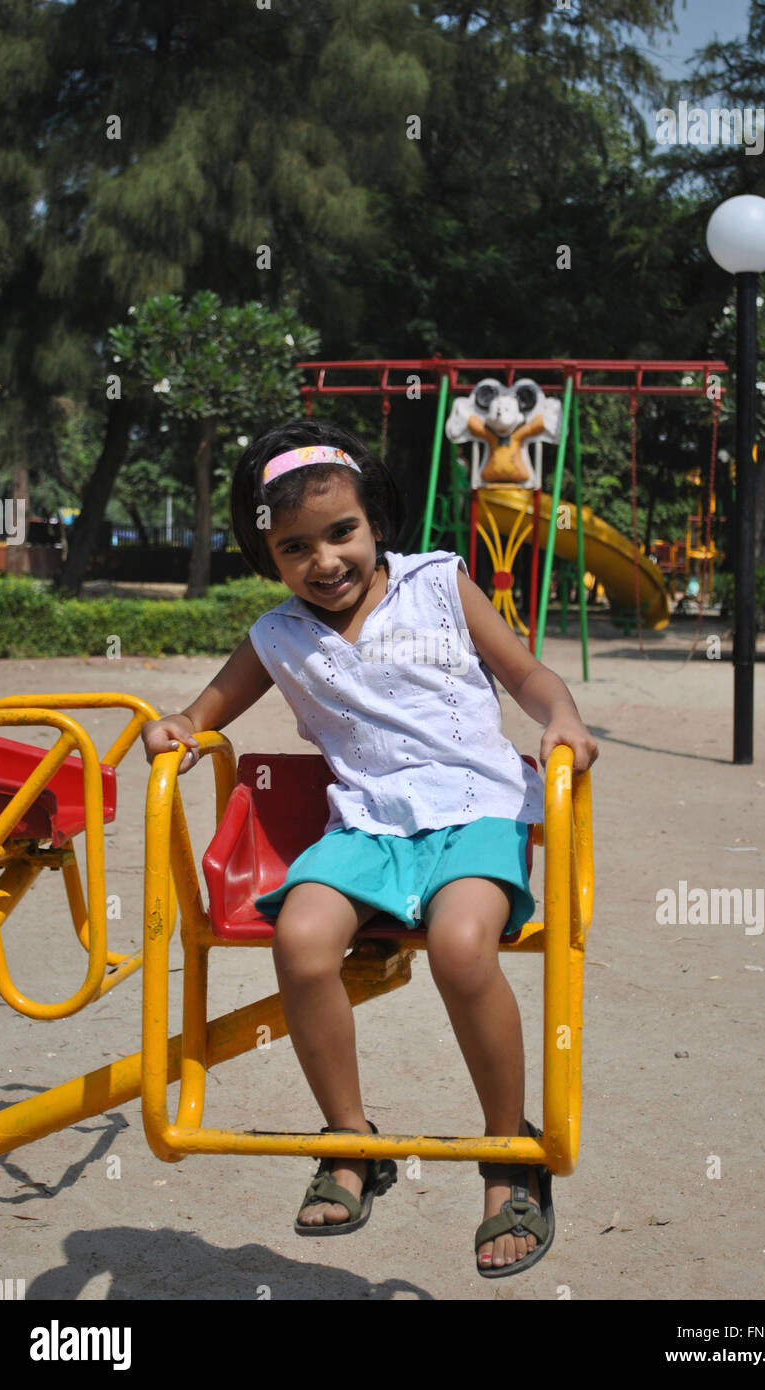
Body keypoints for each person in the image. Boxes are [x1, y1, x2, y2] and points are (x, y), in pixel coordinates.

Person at [141, 418, 598, 1279]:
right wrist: (183, 727)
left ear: (375, 520)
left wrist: (562, 718)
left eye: (341, 531)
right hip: (366, 824)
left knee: (463, 946)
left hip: (475, 810)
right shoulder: (279, 635)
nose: (324, 561)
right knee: (300, 939)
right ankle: (349, 1138)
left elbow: (527, 674)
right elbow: (206, 710)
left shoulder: (438, 585)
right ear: (269, 555)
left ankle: (510, 1152)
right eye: (295, 547)